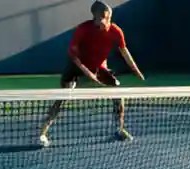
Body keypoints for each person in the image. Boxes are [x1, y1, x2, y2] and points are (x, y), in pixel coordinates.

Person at [37, 1, 145, 147]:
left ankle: (119, 129)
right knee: (63, 97)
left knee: (117, 92)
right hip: (76, 69)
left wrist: (136, 70)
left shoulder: (116, 31)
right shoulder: (82, 30)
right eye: (104, 18)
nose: (107, 21)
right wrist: (88, 74)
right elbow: (74, 57)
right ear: (96, 18)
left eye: (109, 17)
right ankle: (42, 133)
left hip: (98, 68)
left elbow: (124, 51)